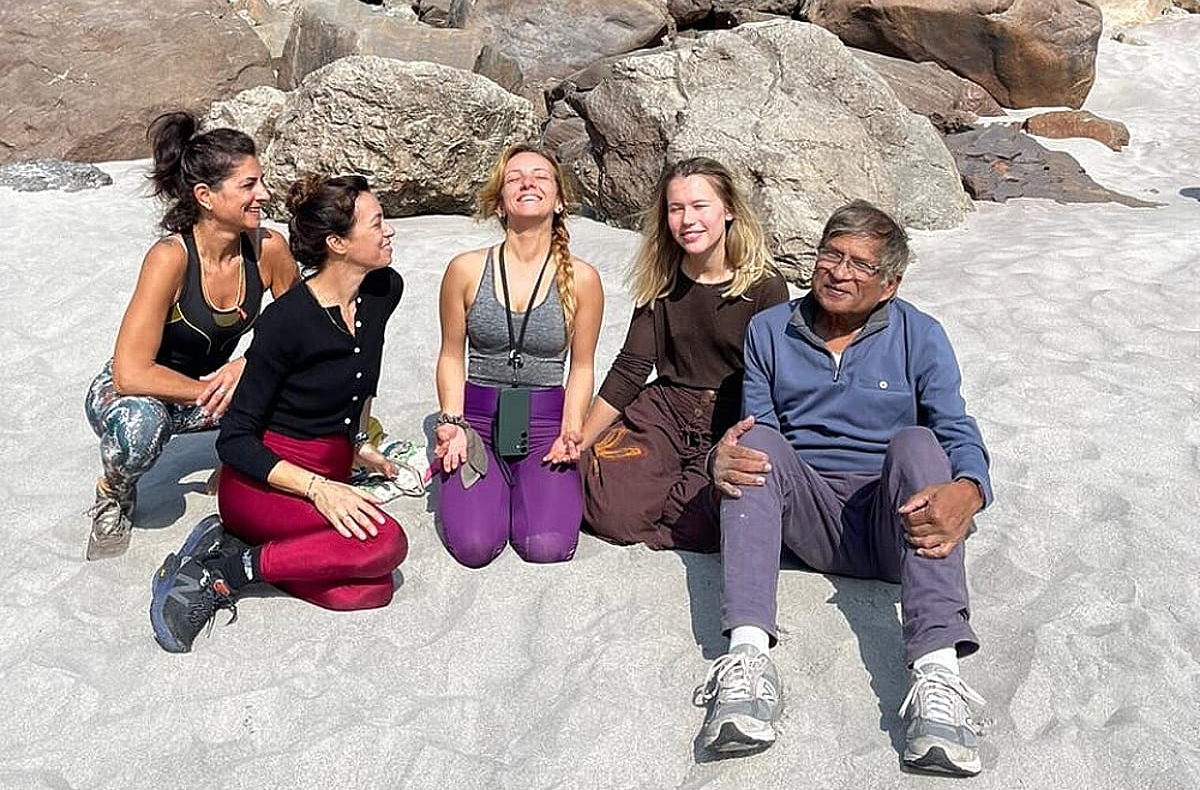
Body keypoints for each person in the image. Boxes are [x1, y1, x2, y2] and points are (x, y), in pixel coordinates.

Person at [695, 200, 992, 776]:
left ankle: (938, 677)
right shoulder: (770, 330)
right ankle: (748, 661)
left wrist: (970, 489)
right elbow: (760, 429)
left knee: (917, 443)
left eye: (859, 264)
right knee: (755, 447)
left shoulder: (921, 335)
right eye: (831, 253)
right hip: (805, 522)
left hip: (893, 524)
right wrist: (719, 459)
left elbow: (956, 427)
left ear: (889, 284)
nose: (839, 271)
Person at [149, 175, 408, 653]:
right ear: (338, 243)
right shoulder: (286, 321)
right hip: (267, 485)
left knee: (373, 590)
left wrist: (358, 445)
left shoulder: (383, 291)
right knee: (386, 545)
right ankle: (223, 572)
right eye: (376, 223)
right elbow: (235, 440)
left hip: (331, 472)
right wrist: (319, 488)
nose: (388, 231)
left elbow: (364, 369)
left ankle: (241, 552)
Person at [83, 111, 298, 560]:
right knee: (141, 429)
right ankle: (113, 492)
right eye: (249, 185)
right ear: (205, 196)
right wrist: (212, 391)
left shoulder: (269, 250)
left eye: (261, 181)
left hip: (212, 390)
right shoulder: (170, 258)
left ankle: (237, 471)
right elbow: (129, 372)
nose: (264, 194)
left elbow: (304, 329)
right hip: (140, 393)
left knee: (297, 385)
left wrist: (247, 364)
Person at [576, 157, 788, 552]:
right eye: (676, 209)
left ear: (727, 211)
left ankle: (661, 499)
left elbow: (775, 379)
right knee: (615, 517)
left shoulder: (765, 286)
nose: (687, 219)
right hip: (665, 410)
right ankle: (639, 486)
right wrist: (583, 439)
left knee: (703, 527)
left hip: (732, 416)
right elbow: (630, 370)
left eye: (699, 206)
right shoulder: (662, 280)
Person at [434, 144, 603, 568]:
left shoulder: (583, 279)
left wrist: (572, 426)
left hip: (547, 422)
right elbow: (452, 356)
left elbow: (582, 366)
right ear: (499, 203)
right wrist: (452, 422)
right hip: (477, 420)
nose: (528, 182)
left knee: (545, 547)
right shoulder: (466, 270)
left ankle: (528, 487)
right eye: (515, 178)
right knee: (474, 547)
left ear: (560, 200)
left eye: (541, 176)